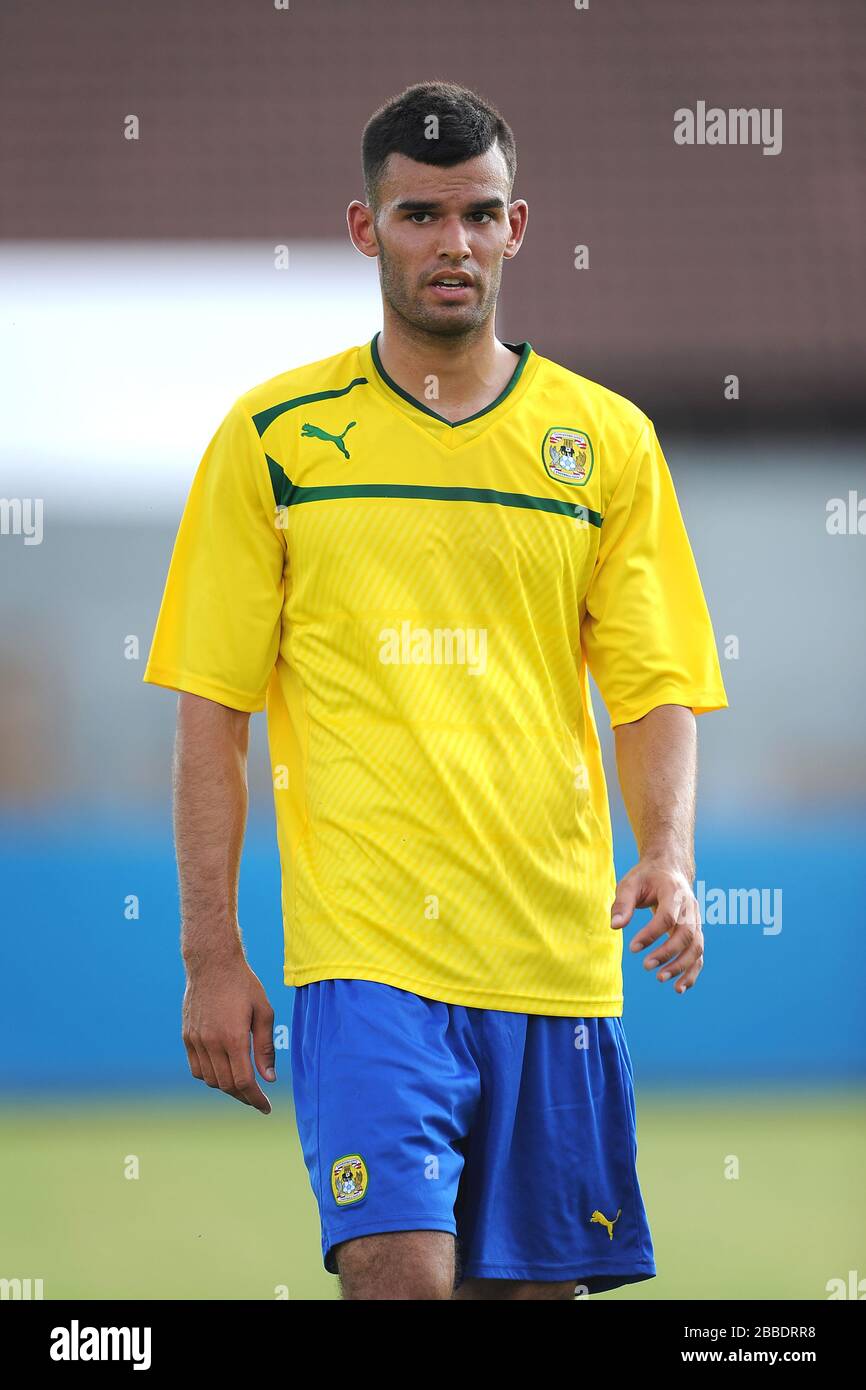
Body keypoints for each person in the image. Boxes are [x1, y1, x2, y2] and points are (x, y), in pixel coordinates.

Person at [143, 80, 728, 1301]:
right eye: (417, 215)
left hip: (552, 961)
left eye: (476, 214)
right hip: (366, 963)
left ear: (517, 228)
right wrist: (210, 952)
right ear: (366, 232)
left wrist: (666, 853)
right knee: (397, 1276)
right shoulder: (274, 439)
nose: (449, 244)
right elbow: (212, 712)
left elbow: (651, 685)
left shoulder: (605, 443)